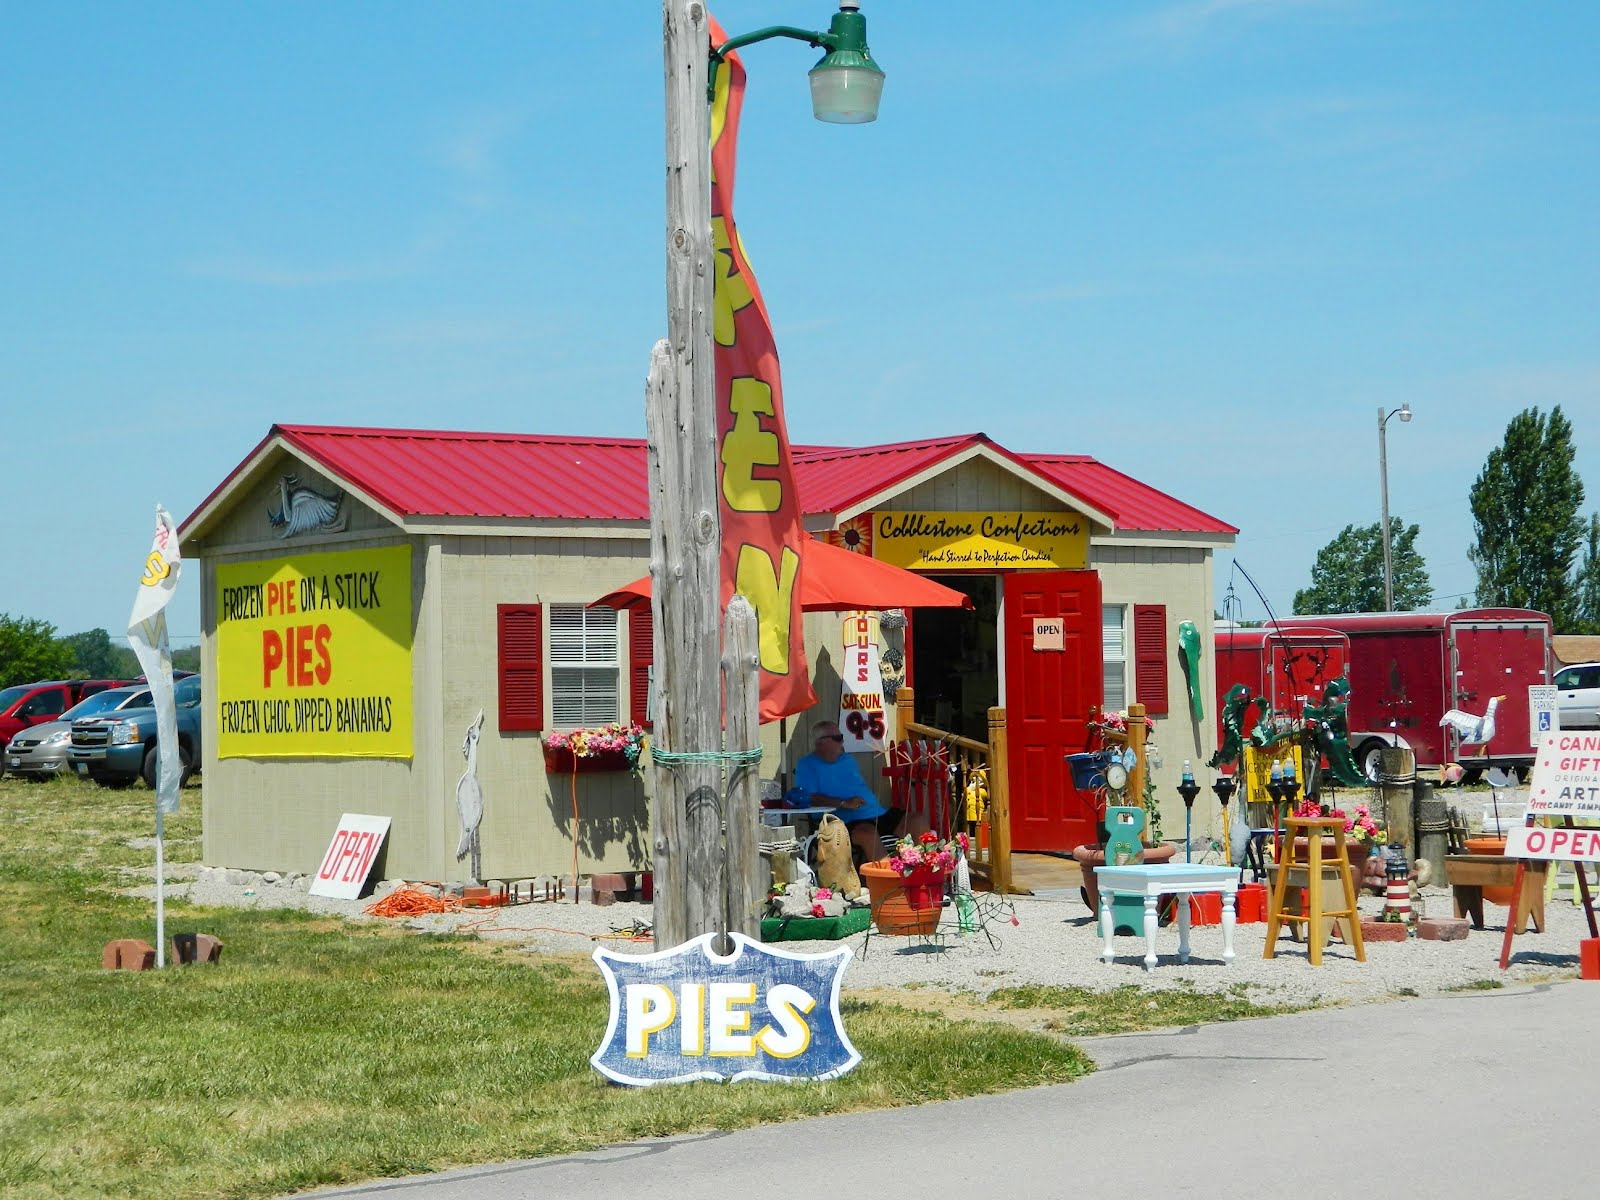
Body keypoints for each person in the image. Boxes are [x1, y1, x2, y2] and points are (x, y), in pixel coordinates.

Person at [794, 720, 919, 864]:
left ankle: (925, 873)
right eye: (838, 738)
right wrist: (843, 803)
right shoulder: (806, 764)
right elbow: (810, 797)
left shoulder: (847, 760)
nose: (842, 742)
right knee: (868, 834)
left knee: (916, 820)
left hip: (877, 814)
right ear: (820, 742)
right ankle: (887, 881)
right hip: (843, 821)